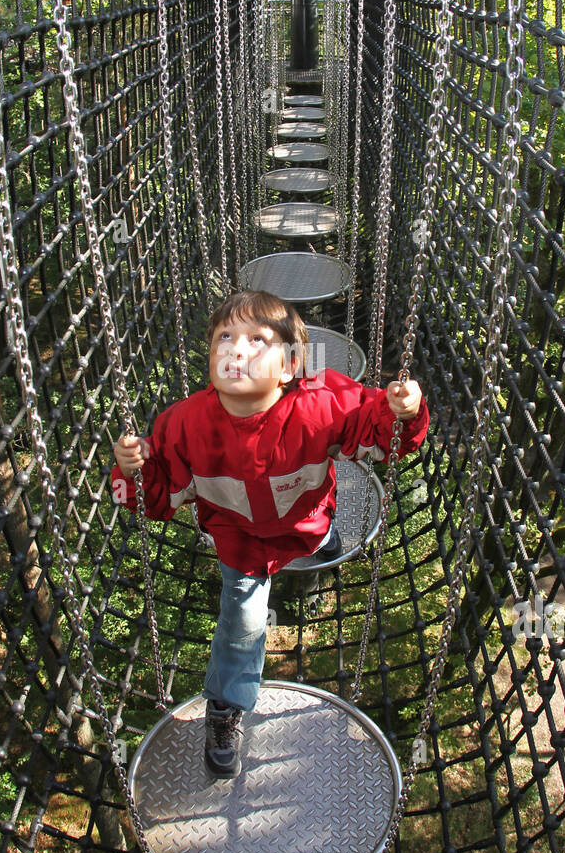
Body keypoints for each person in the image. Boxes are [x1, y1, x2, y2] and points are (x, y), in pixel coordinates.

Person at [111, 291, 429, 779]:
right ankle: (225, 706)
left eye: (258, 341)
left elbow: (374, 431)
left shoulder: (321, 404)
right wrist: (134, 468)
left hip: (305, 522)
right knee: (241, 623)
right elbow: (158, 499)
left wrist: (401, 411)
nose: (236, 350)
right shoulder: (183, 425)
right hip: (241, 542)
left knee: (317, 536)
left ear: (290, 367)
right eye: (224, 338)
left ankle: (324, 544)